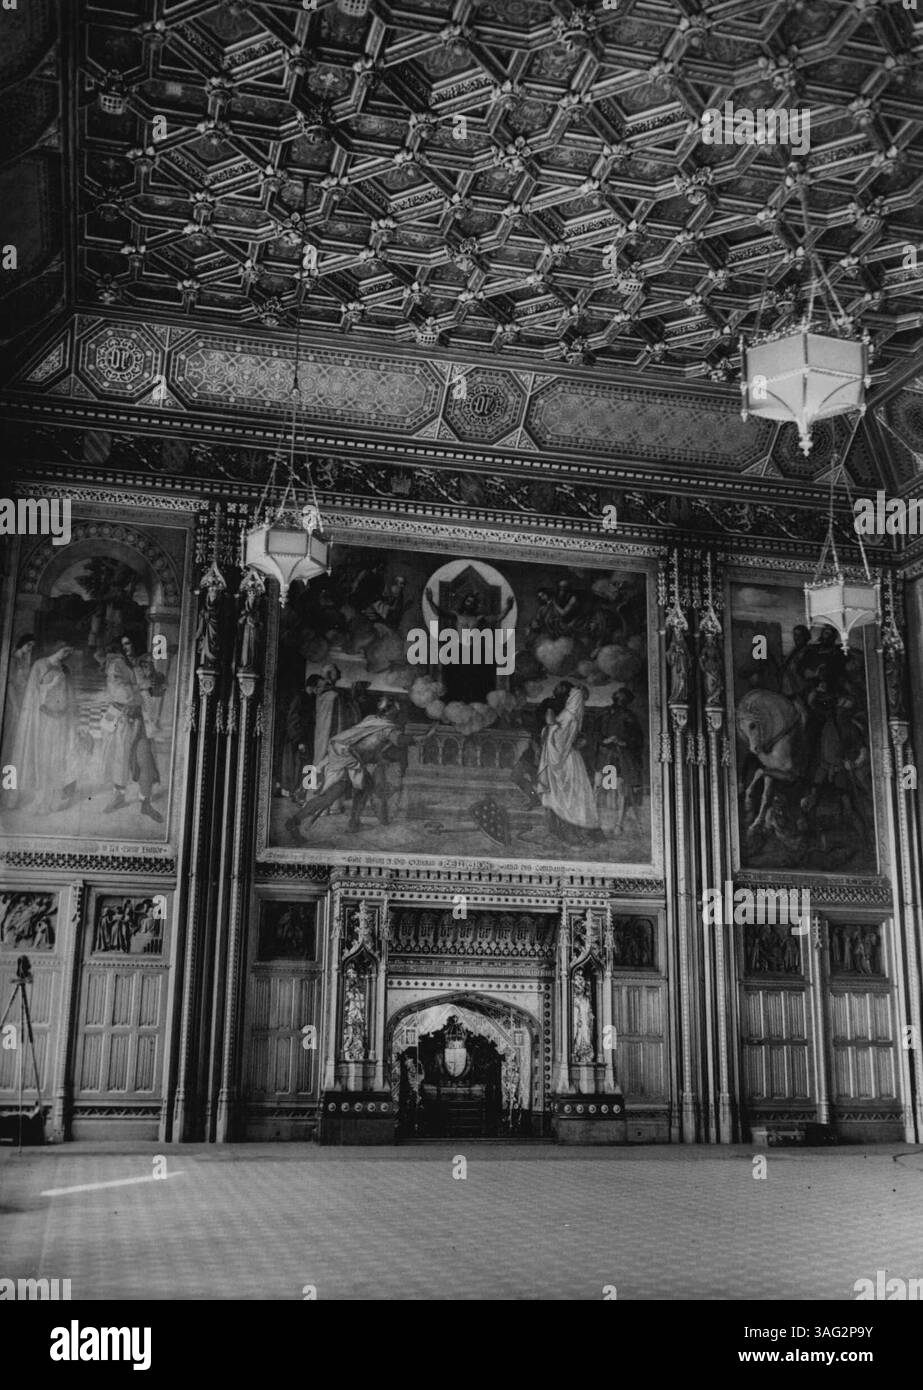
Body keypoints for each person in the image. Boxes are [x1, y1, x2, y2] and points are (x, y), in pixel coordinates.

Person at [285, 695, 433, 838]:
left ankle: (353, 822)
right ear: (390, 711)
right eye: (396, 710)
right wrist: (423, 738)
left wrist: (378, 757)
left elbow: (366, 743)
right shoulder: (388, 728)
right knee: (331, 795)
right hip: (349, 759)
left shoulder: (371, 720)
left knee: (363, 784)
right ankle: (297, 821)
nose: (398, 713)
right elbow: (401, 741)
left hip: (341, 753)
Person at [97, 636, 163, 822]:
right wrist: (141, 687)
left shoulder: (142, 663)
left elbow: (154, 690)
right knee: (120, 760)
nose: (127, 647)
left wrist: (154, 683)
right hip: (121, 717)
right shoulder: (116, 665)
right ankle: (119, 798)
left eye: (130, 642)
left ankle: (145, 803)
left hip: (141, 719)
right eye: (124, 644)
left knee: (146, 761)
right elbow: (121, 693)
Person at [9, 644, 80, 815]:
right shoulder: (40, 665)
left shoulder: (64, 668)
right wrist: (51, 685)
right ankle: (40, 800)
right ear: (56, 647)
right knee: (43, 759)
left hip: (61, 719)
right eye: (65, 650)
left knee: (57, 759)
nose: (67, 654)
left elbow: (70, 695)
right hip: (44, 718)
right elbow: (33, 693)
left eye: (70, 651)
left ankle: (54, 800)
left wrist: (73, 717)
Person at [537, 682, 603, 844]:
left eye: (571, 696)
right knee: (573, 795)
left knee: (567, 796)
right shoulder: (572, 716)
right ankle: (568, 831)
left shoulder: (568, 716)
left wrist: (550, 725)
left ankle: (571, 832)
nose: (568, 698)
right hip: (570, 760)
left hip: (565, 762)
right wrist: (551, 726)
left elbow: (559, 741)